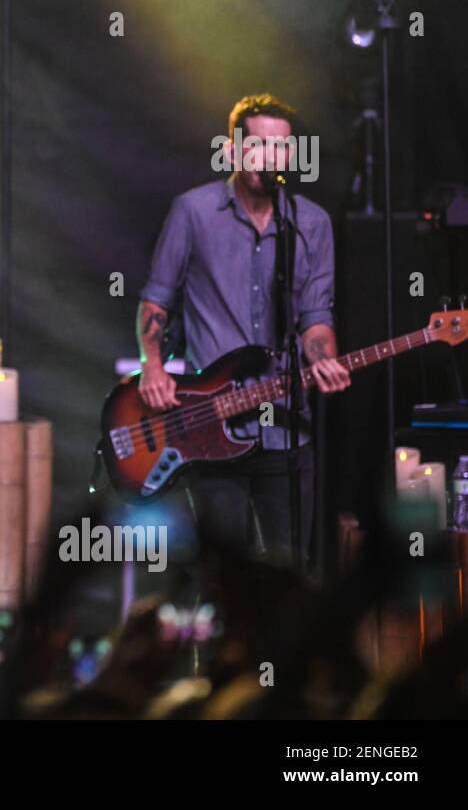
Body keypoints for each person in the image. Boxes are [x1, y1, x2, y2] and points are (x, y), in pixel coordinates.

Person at [136, 93, 351, 565]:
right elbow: (157, 300)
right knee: (220, 579)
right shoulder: (192, 212)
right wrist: (152, 367)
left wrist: (324, 358)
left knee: (288, 578)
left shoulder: (311, 224)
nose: (267, 158)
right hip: (212, 430)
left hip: (286, 430)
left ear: (291, 155)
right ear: (232, 150)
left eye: (278, 148)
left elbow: (316, 317)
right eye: (256, 146)